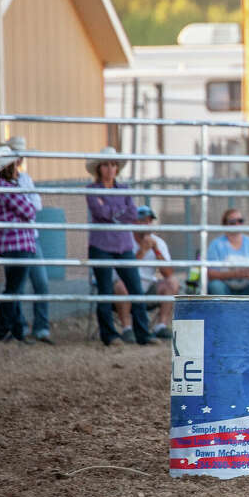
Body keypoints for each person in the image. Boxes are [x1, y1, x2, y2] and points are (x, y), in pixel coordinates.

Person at [86, 147, 155, 347]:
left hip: (123, 245)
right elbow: (101, 212)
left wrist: (111, 211)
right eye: (106, 165)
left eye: (113, 165)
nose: (110, 169)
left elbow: (131, 214)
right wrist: (119, 211)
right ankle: (110, 335)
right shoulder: (92, 190)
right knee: (105, 290)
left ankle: (144, 334)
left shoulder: (123, 190)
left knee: (135, 288)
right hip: (101, 245)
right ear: (99, 168)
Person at [8, 137, 53, 342]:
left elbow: (37, 205)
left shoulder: (25, 179)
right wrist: (26, 206)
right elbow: (31, 205)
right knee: (16, 285)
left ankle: (41, 327)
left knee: (41, 283)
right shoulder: (2, 182)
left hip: (30, 238)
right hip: (13, 239)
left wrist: (24, 207)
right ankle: (20, 327)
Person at [113, 205, 178, 340]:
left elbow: (169, 273)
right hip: (125, 287)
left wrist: (156, 251)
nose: (146, 224)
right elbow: (125, 271)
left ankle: (161, 326)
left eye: (149, 221)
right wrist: (142, 251)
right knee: (121, 285)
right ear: (133, 222)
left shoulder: (158, 242)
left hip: (148, 288)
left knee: (172, 283)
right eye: (142, 220)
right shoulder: (124, 240)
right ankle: (127, 329)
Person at [0, 146, 37, 343]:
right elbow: (30, 209)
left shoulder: (1, 187)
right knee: (13, 289)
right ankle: (2, 329)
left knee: (15, 288)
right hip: (17, 245)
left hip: (11, 245)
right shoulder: (7, 188)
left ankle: (17, 330)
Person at [206, 208, 249, 296]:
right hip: (226, 289)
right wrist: (234, 274)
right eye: (233, 222)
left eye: (240, 221)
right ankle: (223, 309)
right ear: (225, 224)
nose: (237, 224)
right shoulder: (216, 245)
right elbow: (210, 274)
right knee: (215, 286)